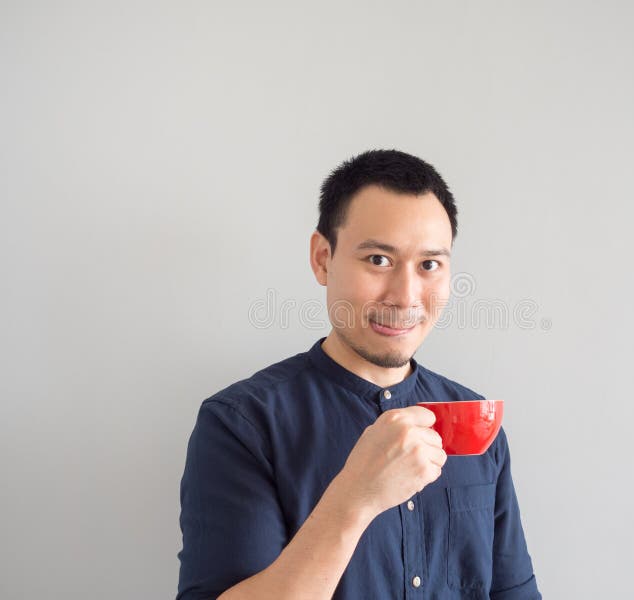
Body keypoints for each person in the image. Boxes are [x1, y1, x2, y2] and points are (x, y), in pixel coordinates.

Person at [176, 149, 543, 599]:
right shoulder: (241, 425)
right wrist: (356, 498)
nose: (405, 296)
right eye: (378, 260)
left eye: (429, 265)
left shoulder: (477, 421)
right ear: (322, 259)